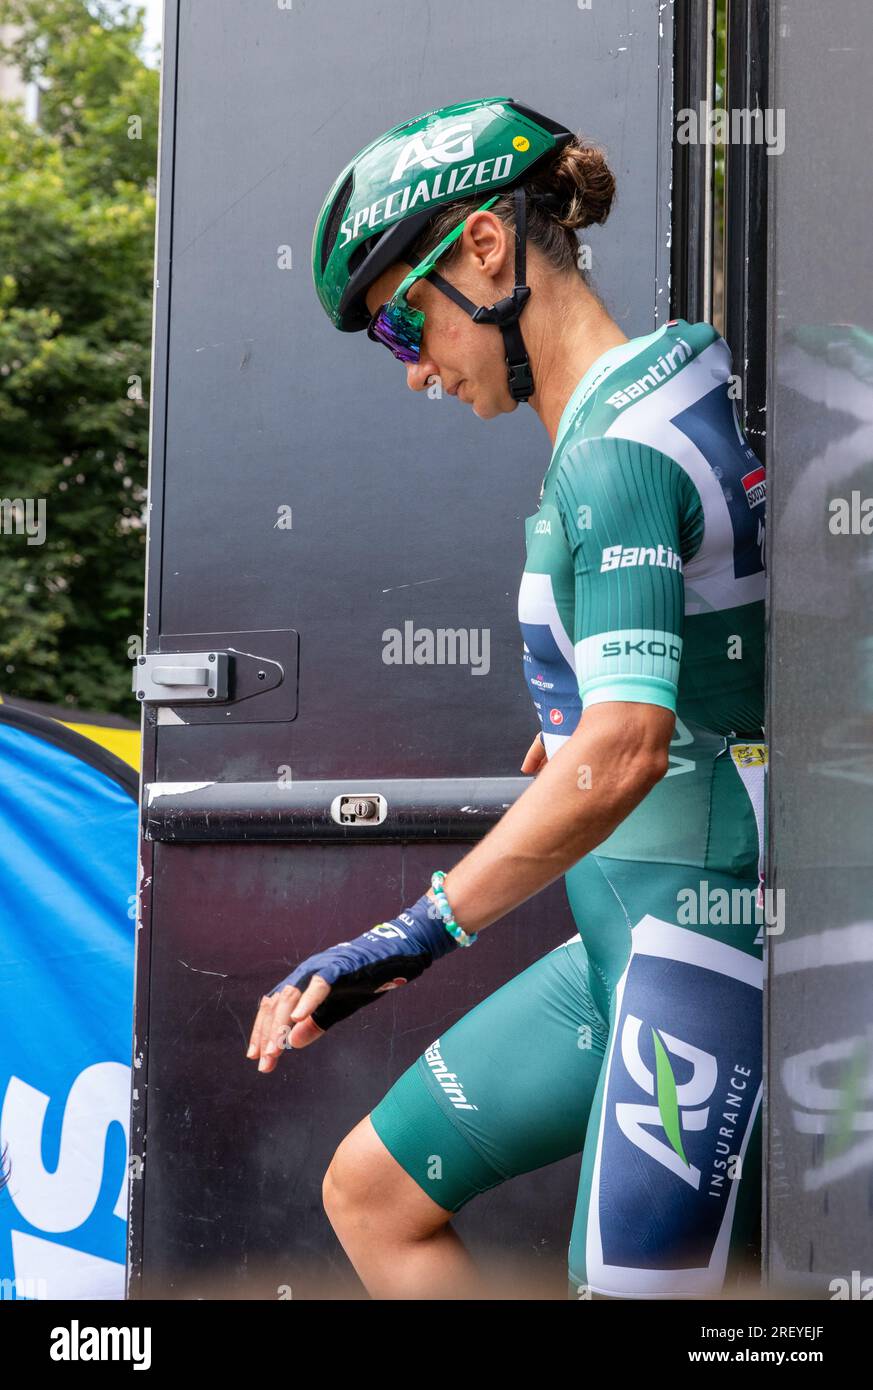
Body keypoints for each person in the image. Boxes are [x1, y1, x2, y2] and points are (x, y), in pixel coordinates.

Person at [247, 97, 767, 1301]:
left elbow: (630, 749)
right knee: (372, 1192)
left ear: (487, 249)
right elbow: (671, 690)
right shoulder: (661, 382)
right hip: (616, 943)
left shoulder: (613, 450)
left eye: (405, 328)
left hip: (687, 949)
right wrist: (592, 726)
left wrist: (409, 934)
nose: (417, 371)